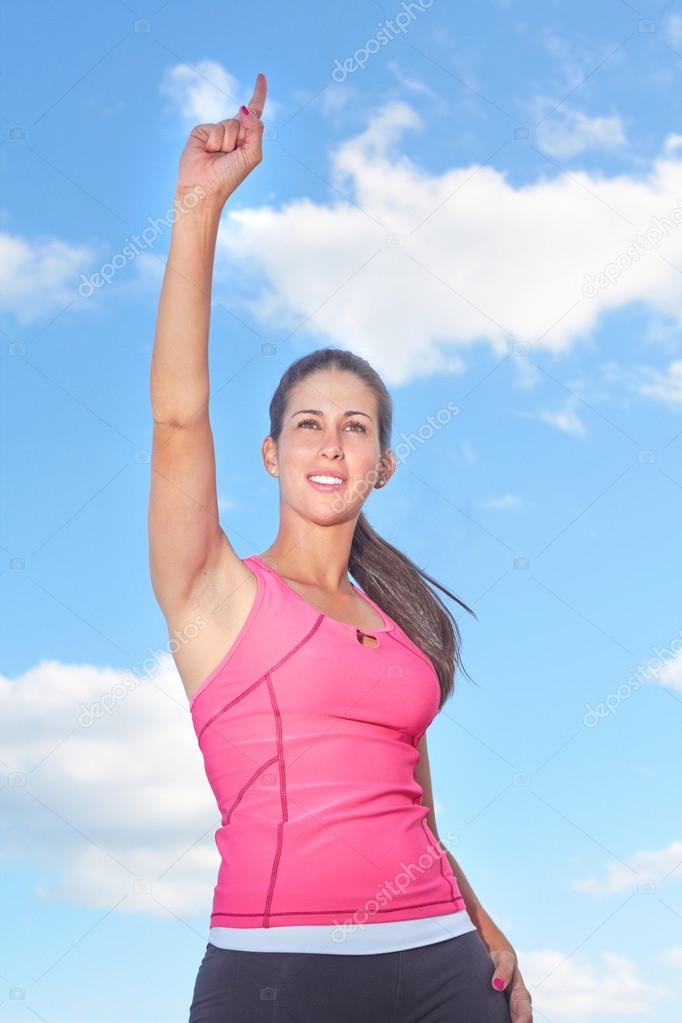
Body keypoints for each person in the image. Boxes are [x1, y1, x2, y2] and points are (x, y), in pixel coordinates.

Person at [148, 71, 533, 1023]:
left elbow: (416, 812)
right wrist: (198, 207)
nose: (332, 442)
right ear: (273, 453)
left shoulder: (402, 625)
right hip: (278, 975)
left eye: (356, 427)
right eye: (311, 424)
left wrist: (485, 924)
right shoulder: (216, 594)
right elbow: (177, 415)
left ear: (381, 464)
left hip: (445, 965)